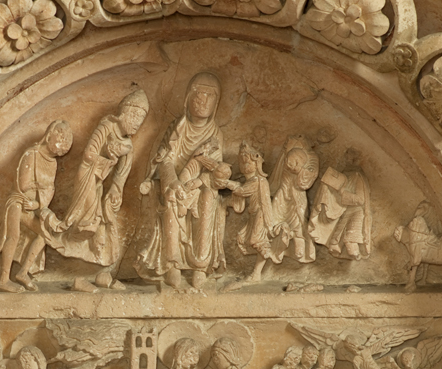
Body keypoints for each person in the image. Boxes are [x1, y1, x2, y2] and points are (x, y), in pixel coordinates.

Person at [136, 72, 228, 291]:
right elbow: (164, 159)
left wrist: (196, 182)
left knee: (208, 198)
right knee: (170, 197)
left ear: (216, 103)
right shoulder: (177, 127)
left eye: (209, 96)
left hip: (200, 186)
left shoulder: (215, 134)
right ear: (188, 97)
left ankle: (200, 265)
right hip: (175, 184)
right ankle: (172, 264)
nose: (202, 100)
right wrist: (174, 182)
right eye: (198, 94)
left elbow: (215, 171)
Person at [50, 91, 149, 290]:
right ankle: (59, 238)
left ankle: (95, 257)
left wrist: (116, 188)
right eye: (135, 116)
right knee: (86, 216)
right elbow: (89, 155)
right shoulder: (107, 127)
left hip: (100, 180)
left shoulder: (128, 144)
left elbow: (123, 171)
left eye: (142, 119)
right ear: (126, 113)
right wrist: (110, 154)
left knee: (101, 215)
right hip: (88, 175)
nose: (137, 123)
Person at [0, 120, 73, 292]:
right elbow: (23, 185)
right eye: (59, 141)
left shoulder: (53, 163)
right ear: (50, 134)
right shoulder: (31, 154)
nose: (59, 149)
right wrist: (38, 190)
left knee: (44, 235)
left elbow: (49, 190)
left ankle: (23, 273)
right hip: (17, 201)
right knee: (12, 236)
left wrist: (37, 202)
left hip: (32, 206)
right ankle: (4, 279)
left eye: (63, 149)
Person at [231, 142, 283, 282]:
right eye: (241, 162)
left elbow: (242, 191)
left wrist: (226, 183)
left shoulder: (258, 181)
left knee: (255, 240)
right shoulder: (252, 180)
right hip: (254, 213)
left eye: (247, 162)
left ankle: (258, 271)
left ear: (257, 164)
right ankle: (258, 269)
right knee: (242, 238)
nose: (244, 166)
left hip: (261, 214)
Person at [308, 148, 371, 260]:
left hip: (357, 212)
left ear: (354, 159)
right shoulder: (344, 174)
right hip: (345, 211)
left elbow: (360, 199)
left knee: (350, 242)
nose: (346, 159)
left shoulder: (357, 176)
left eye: (349, 157)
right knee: (333, 245)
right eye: (346, 157)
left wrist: (343, 193)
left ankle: (357, 261)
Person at [270, 136, 319, 263]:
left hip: (297, 195)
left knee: (298, 221)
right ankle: (274, 246)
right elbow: (280, 173)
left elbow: (307, 179)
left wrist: (301, 170)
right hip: (283, 192)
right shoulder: (286, 156)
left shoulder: (311, 158)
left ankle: (300, 249)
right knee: (273, 217)